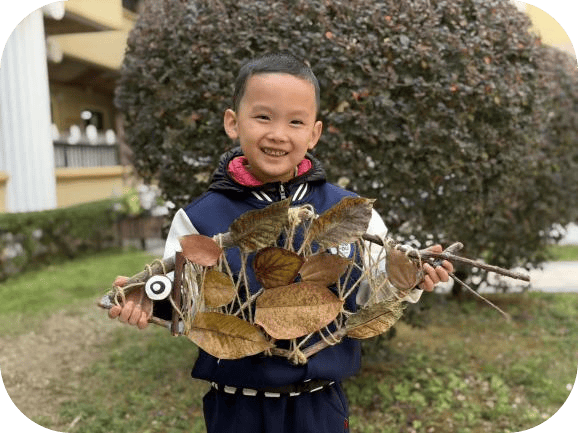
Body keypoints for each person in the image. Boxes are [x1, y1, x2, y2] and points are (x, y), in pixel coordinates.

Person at [109, 51, 453, 433]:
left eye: (295, 121)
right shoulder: (200, 219)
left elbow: (376, 290)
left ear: (314, 134)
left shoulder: (350, 212)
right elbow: (183, 298)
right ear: (233, 122)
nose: (278, 134)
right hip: (236, 409)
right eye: (263, 117)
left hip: (319, 406)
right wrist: (149, 299)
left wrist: (409, 278)